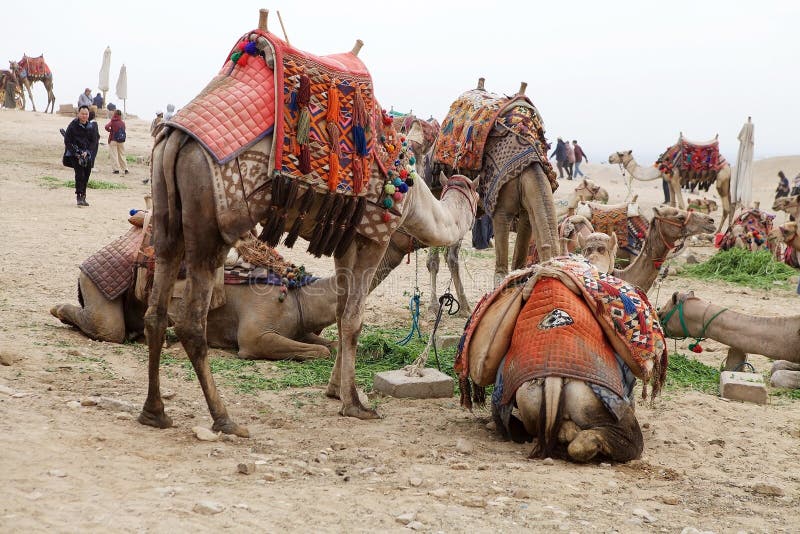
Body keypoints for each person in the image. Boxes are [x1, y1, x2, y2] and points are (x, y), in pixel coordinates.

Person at [63, 105, 100, 206]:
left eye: (86, 114)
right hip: (75, 155)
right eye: (82, 114)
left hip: (87, 155)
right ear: (78, 114)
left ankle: (83, 196)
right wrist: (76, 153)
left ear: (88, 115)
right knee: (80, 175)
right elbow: (67, 141)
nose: (84, 116)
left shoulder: (91, 126)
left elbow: (94, 141)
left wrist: (87, 152)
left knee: (86, 175)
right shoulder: (73, 125)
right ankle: (79, 196)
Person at [104, 109, 129, 174]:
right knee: (122, 155)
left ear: (115, 114)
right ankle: (125, 169)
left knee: (114, 155)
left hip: (113, 140)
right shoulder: (122, 122)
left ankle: (116, 170)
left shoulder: (113, 121)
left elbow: (106, 127)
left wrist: (110, 130)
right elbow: (123, 130)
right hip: (121, 140)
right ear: (120, 115)